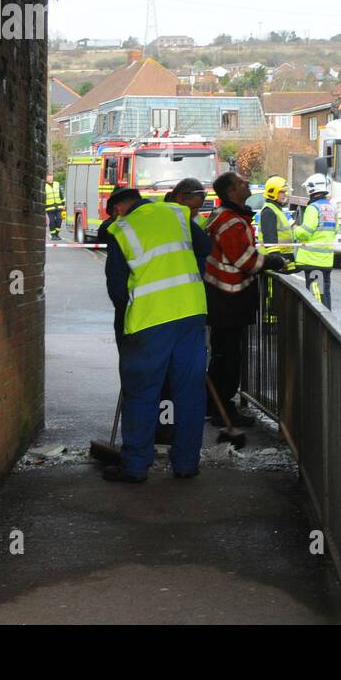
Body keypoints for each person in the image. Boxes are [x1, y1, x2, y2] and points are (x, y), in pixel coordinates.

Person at [101, 187, 208, 483]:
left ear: (119, 207)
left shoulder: (121, 228)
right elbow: (205, 248)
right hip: (191, 313)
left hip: (150, 321)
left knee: (142, 393)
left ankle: (135, 466)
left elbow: (118, 288)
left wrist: (125, 325)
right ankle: (186, 464)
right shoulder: (177, 212)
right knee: (189, 393)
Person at [204, 171, 287, 423]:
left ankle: (217, 405)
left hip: (227, 298)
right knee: (226, 358)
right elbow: (244, 260)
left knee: (224, 355)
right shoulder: (230, 221)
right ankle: (221, 409)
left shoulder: (232, 217)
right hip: (228, 299)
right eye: (241, 182)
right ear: (231, 192)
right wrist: (272, 261)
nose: (247, 183)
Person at [293, 173, 336, 309]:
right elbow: (335, 230)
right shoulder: (331, 207)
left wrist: (295, 230)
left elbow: (306, 231)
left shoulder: (313, 208)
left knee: (313, 300)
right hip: (326, 260)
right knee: (325, 296)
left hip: (312, 260)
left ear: (311, 189)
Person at [44, 173, 64, 240]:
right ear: (46, 178)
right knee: (51, 221)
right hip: (49, 207)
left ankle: (57, 234)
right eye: (49, 177)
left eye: (51, 177)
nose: (50, 179)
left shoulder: (57, 184)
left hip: (58, 206)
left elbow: (61, 195)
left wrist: (63, 204)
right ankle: (53, 235)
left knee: (59, 219)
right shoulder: (44, 186)